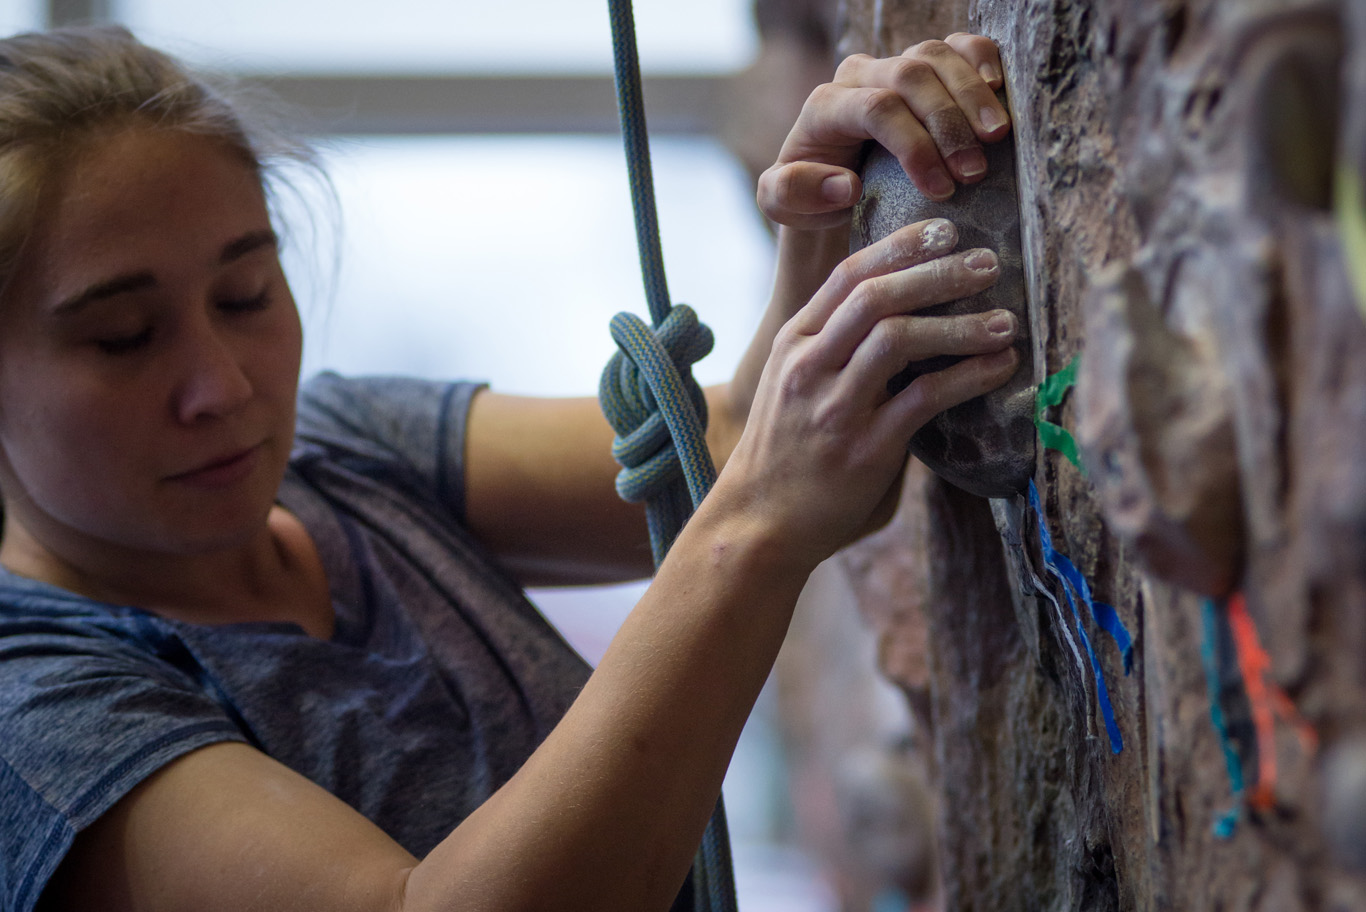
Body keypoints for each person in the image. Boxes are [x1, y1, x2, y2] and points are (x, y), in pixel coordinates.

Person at [0, 24, 1017, 912]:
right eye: (124, 337)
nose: (218, 385)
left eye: (246, 295)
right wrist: (749, 535)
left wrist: (830, 225)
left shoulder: (339, 449)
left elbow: (734, 451)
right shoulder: (34, 717)